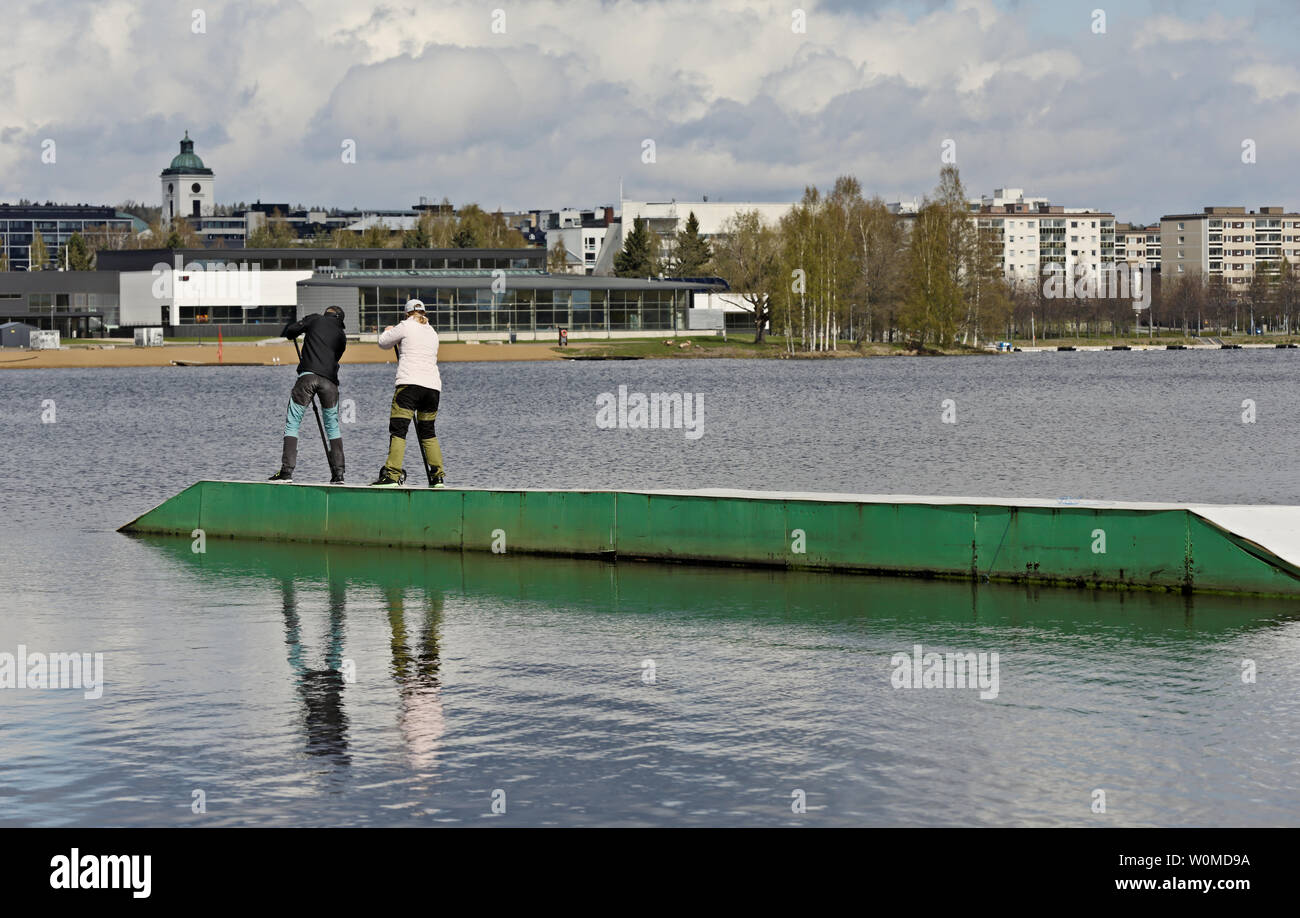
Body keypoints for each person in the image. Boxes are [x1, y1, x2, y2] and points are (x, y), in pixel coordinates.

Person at [371, 299, 445, 488]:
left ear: (407, 313)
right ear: (424, 313)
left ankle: (392, 475)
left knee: (398, 430)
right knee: (428, 432)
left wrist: (388, 330)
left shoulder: (405, 326)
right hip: (433, 388)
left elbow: (383, 343)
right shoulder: (433, 332)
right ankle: (438, 477)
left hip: (409, 386)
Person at [270, 305, 347, 483]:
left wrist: (295, 332)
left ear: (326, 314)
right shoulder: (341, 335)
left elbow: (290, 331)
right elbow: (336, 357)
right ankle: (339, 475)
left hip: (307, 378)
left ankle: (286, 473)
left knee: (293, 423)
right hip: (330, 383)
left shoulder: (314, 319)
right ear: (339, 320)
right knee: (333, 427)